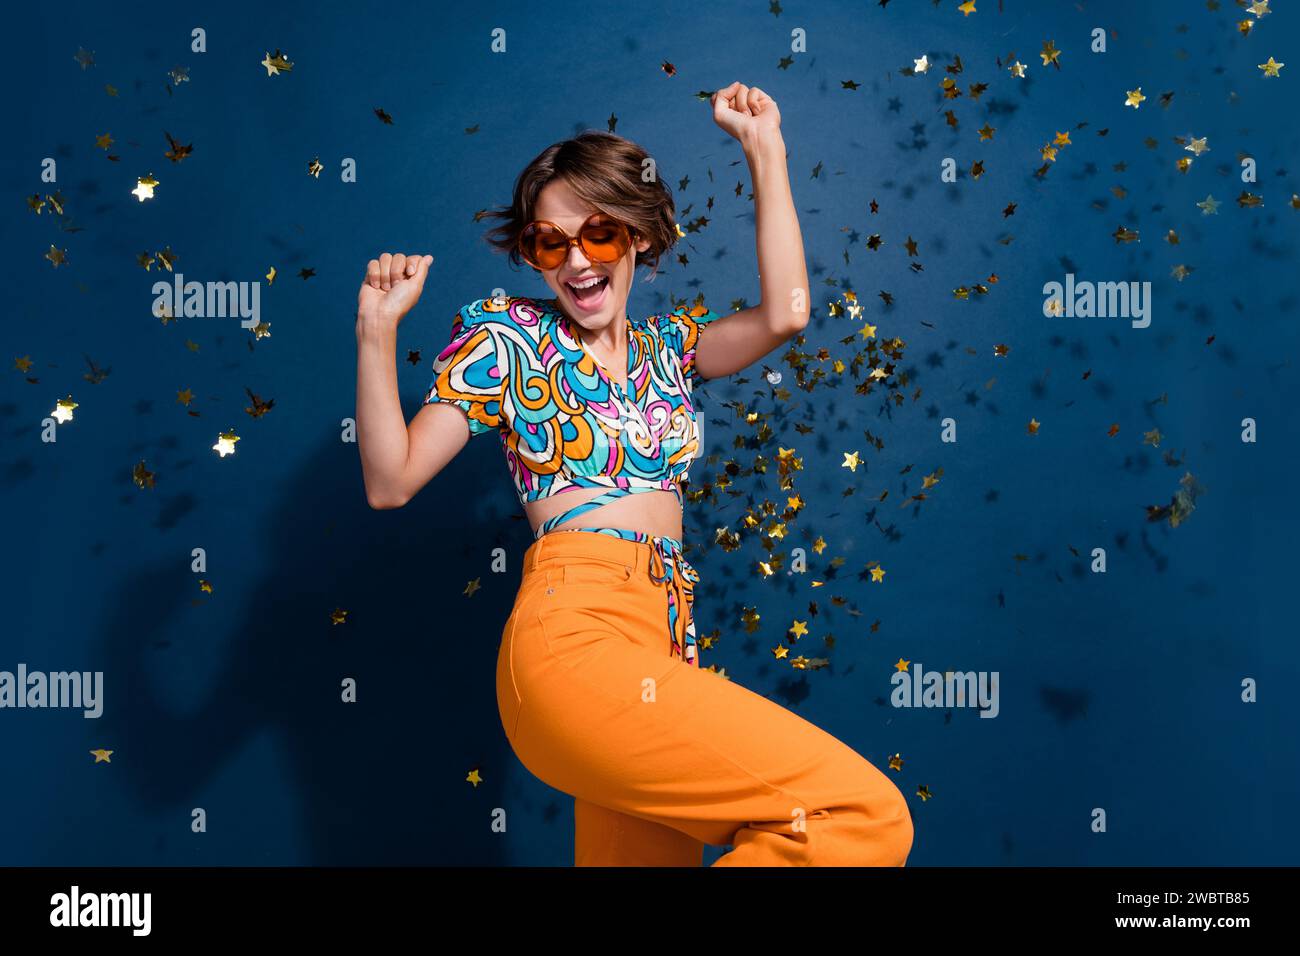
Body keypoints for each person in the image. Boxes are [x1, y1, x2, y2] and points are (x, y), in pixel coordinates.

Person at [354, 83, 913, 866]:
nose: (577, 260)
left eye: (600, 233)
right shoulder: (509, 338)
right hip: (572, 636)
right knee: (856, 816)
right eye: (551, 243)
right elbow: (391, 481)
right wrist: (376, 332)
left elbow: (786, 313)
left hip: (664, 639)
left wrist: (765, 148)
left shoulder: (669, 350)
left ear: (640, 238)